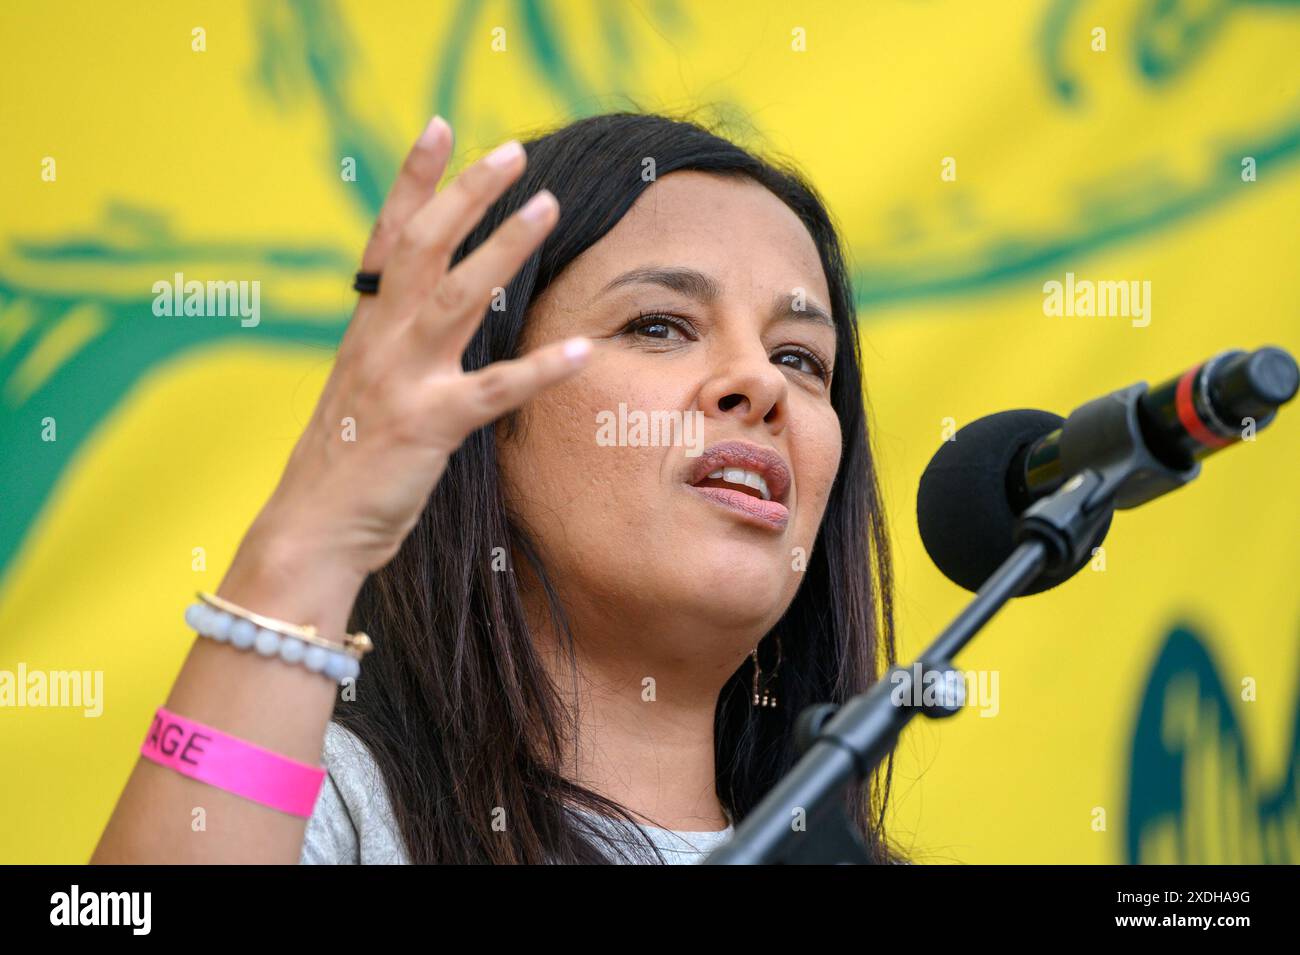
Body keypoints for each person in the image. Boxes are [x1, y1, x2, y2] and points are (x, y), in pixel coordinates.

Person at [92, 110, 904, 864]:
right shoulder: (314, 807)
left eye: (800, 358)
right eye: (658, 325)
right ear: (475, 408)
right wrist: (311, 535)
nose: (759, 382)